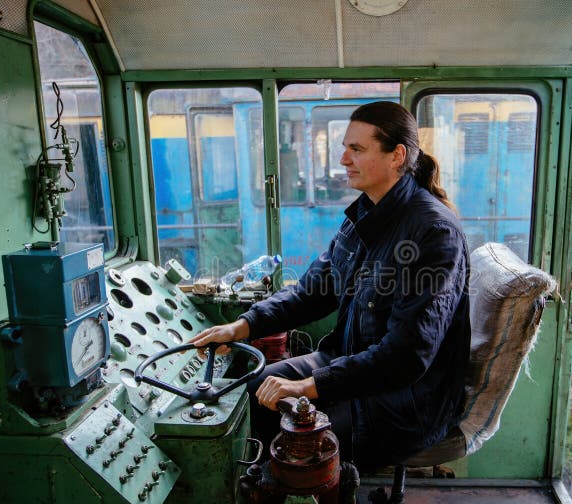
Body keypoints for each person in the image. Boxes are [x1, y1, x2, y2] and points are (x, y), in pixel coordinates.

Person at [189, 101, 470, 469]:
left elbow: (406, 356)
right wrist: (242, 326)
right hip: (349, 363)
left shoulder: (433, 233)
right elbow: (312, 291)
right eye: (345, 148)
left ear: (396, 156)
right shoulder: (363, 215)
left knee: (298, 451)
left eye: (357, 149)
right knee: (247, 391)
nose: (343, 160)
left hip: (404, 402)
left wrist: (309, 387)